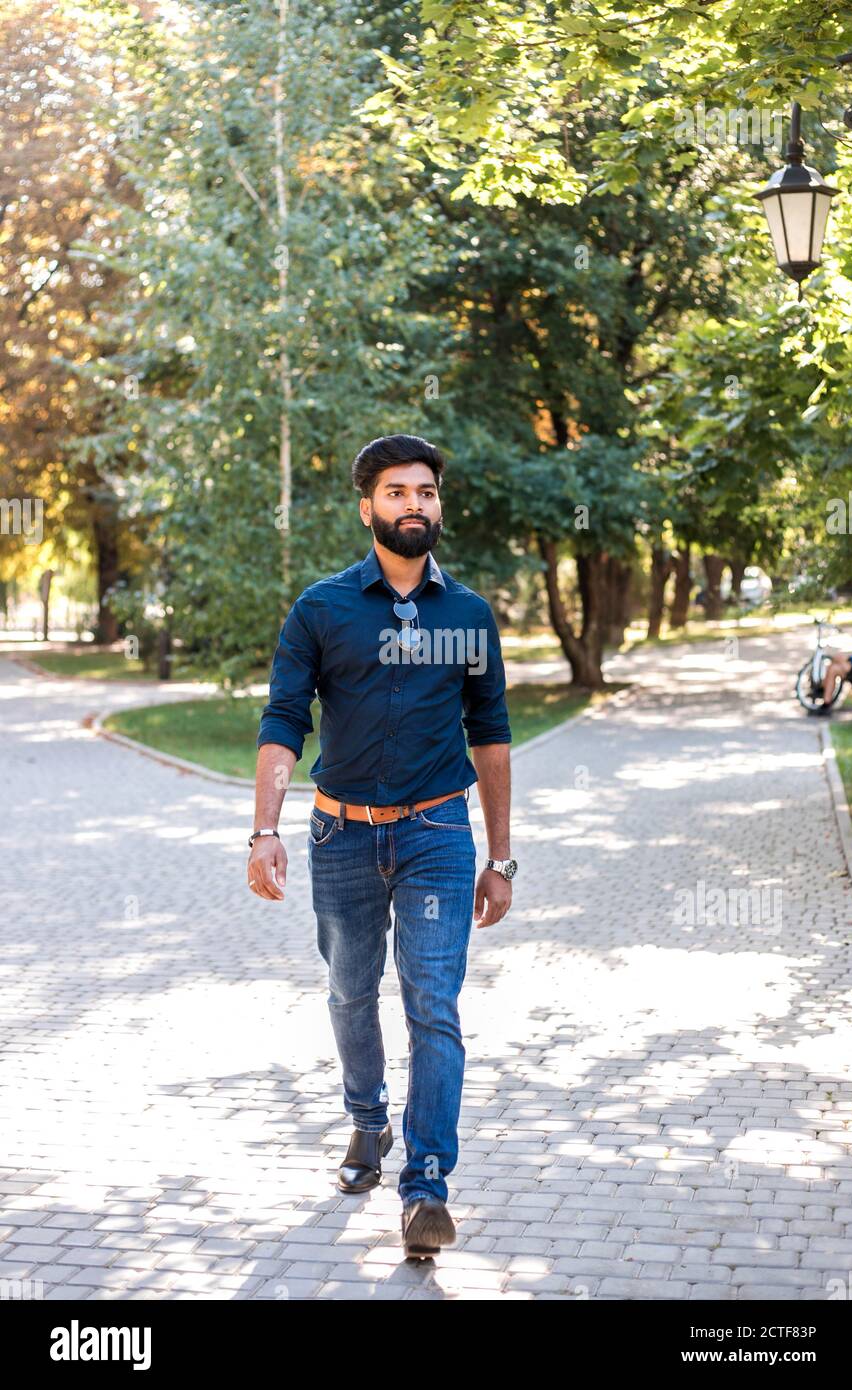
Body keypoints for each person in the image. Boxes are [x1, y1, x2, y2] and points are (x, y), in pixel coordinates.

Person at [246, 433, 517, 1261]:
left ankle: (427, 1187)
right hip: (341, 834)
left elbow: (493, 736)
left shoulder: (468, 615)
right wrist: (265, 828)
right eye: (397, 492)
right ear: (369, 508)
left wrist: (500, 857)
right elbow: (284, 720)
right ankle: (367, 1120)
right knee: (349, 991)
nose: (414, 504)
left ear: (439, 505)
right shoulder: (323, 609)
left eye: (426, 492)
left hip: (438, 831)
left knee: (433, 1003)